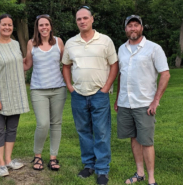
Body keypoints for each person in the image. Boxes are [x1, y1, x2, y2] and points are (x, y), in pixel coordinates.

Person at [62, 6, 118, 185]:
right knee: (83, 131)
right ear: (76, 21)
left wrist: (106, 87)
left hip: (99, 94)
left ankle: (102, 170)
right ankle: (88, 165)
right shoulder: (71, 43)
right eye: (79, 19)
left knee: (101, 132)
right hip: (78, 94)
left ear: (92, 19)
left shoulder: (105, 41)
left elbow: (114, 65)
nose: (82, 21)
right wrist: (70, 87)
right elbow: (66, 66)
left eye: (85, 18)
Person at [114, 15, 170, 185]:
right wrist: (117, 99)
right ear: (125, 29)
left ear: (142, 28)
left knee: (146, 141)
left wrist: (155, 101)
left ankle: (151, 179)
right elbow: (121, 75)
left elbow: (165, 74)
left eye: (136, 25)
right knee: (133, 138)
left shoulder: (154, 48)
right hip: (125, 103)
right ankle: (140, 173)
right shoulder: (121, 49)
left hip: (144, 103)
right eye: (129, 26)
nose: (133, 28)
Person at [0, 14, 29, 177]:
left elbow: (20, 64)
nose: (7, 27)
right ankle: (1, 164)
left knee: (12, 129)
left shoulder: (16, 44)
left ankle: (9, 160)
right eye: (4, 25)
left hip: (15, 94)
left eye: (10, 25)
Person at [23, 14, 66, 171]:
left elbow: (66, 62)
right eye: (41, 25)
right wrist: (9, 62)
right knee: (43, 124)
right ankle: (38, 156)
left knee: (56, 124)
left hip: (58, 90)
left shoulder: (59, 42)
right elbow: (27, 64)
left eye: (46, 24)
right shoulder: (31, 44)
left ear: (51, 26)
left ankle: (53, 157)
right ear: (37, 27)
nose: (44, 27)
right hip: (38, 90)